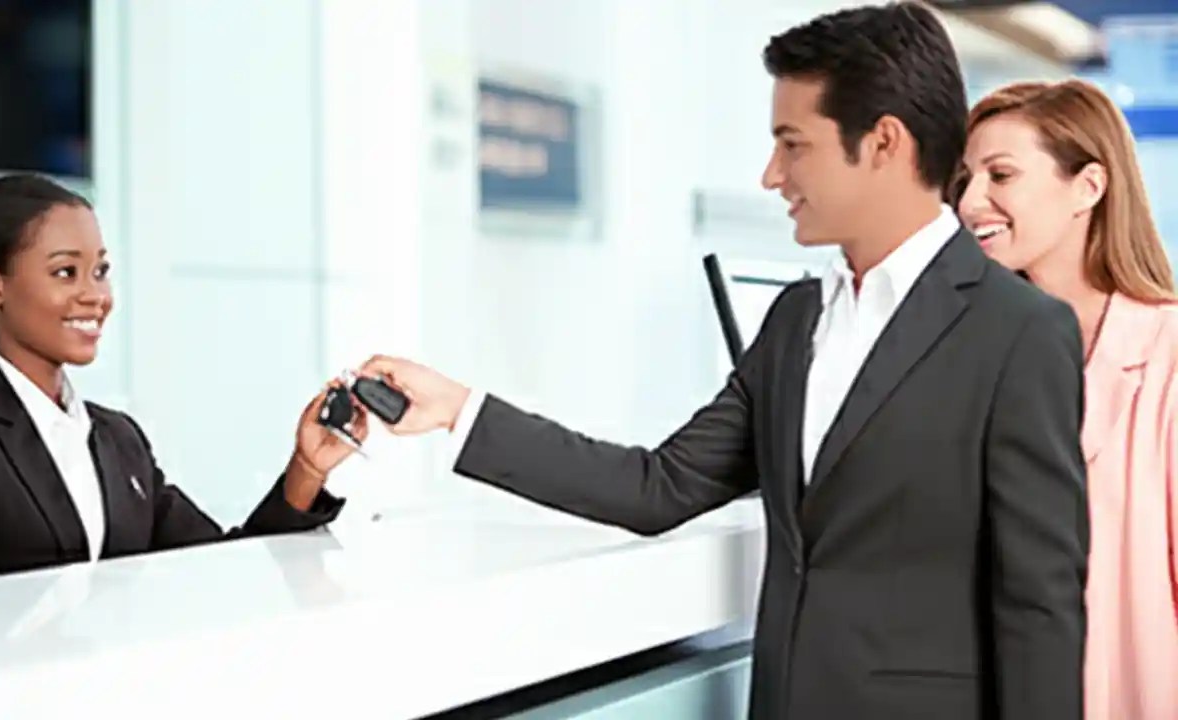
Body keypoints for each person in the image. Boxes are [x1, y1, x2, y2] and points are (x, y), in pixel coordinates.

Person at [350, 5, 1089, 719]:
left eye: (793, 144)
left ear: (884, 143)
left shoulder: (1019, 331)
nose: (772, 175)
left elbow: (1039, 605)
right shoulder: (796, 320)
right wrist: (459, 410)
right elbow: (659, 486)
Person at [0, 174, 365, 587]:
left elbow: (227, 568)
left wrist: (307, 467)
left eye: (100, 271)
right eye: (66, 272)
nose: (95, 296)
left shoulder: (119, 440)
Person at [957, 78, 1178, 720]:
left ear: (1088, 187)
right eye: (966, 178)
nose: (972, 202)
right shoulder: (972, 351)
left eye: (1001, 175)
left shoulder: (1165, 349)